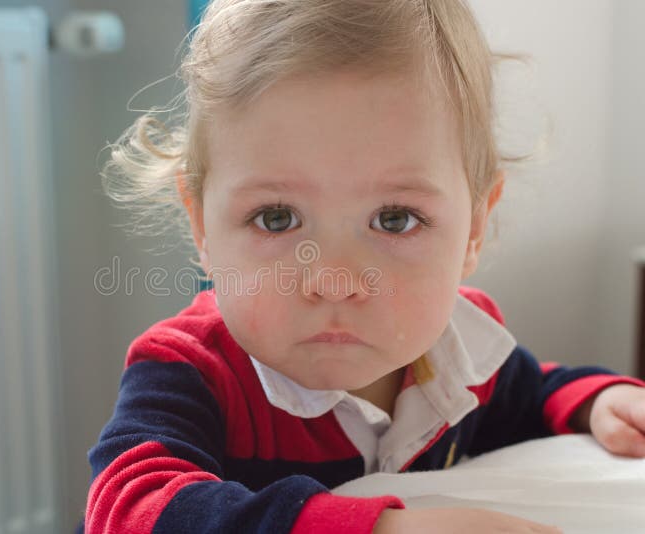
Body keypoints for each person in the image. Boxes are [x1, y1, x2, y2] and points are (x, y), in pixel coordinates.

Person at [82, 1, 645, 532]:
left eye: (395, 218)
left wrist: (599, 401)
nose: (335, 280)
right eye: (277, 218)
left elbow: (534, 395)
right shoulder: (193, 370)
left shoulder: (460, 351)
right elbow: (128, 509)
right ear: (202, 226)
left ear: (473, 228)